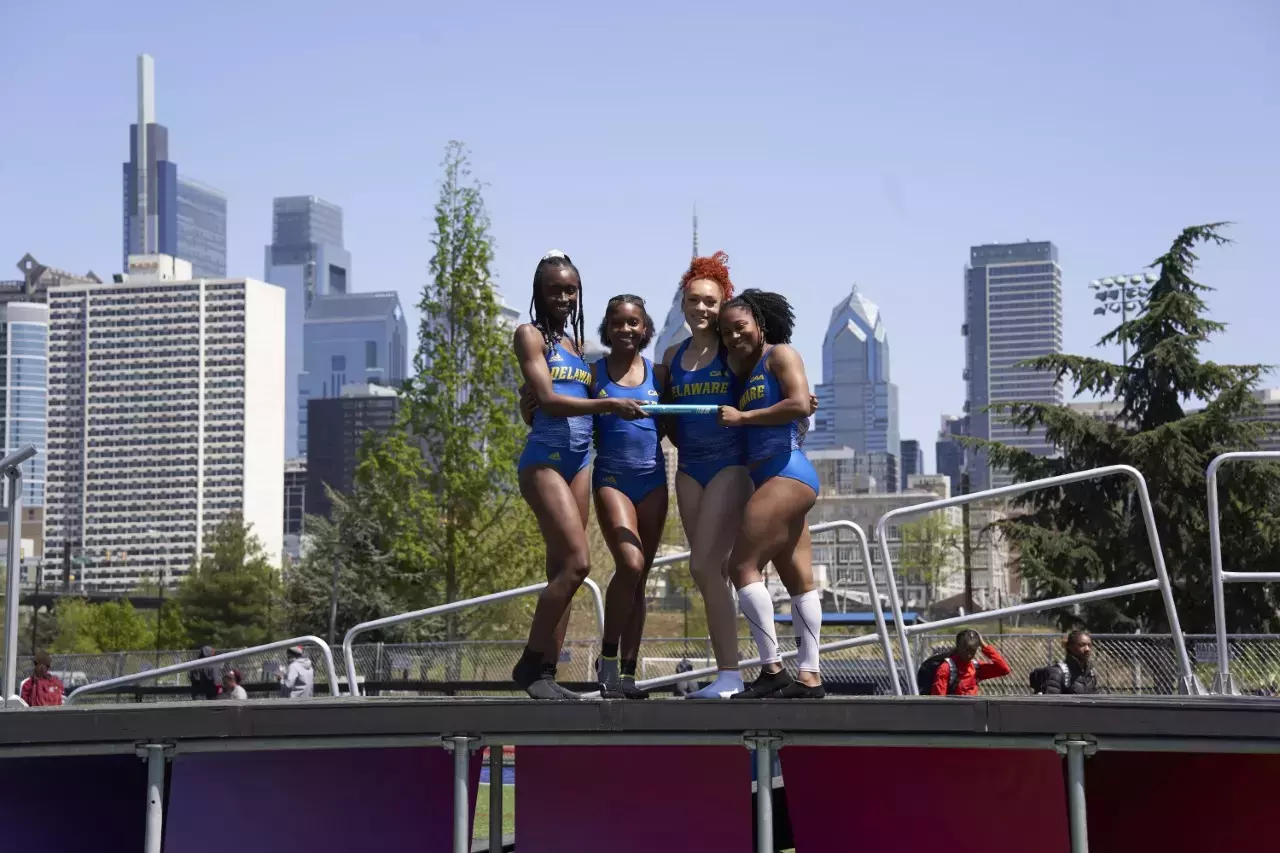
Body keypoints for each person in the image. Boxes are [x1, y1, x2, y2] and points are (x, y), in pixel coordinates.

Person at [510, 251, 647, 700]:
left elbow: (575, 392)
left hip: (580, 461)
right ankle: (530, 665)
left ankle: (547, 675)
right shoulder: (529, 335)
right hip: (545, 459)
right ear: (539, 292)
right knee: (578, 564)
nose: (565, 297)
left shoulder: (576, 345)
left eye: (571, 290)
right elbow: (548, 399)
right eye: (556, 290)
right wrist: (607, 404)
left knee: (560, 572)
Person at [718, 290, 825, 699]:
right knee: (799, 581)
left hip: (786, 470)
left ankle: (771, 668)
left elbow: (800, 404)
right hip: (777, 477)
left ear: (760, 324)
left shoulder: (780, 355)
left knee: (740, 565)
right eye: (725, 332)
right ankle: (810, 676)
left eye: (739, 327)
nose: (732, 336)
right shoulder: (746, 371)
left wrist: (744, 417)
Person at [588, 295, 668, 699]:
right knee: (630, 563)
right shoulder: (592, 372)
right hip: (612, 479)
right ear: (607, 327)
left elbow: (672, 425)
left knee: (640, 579)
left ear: (645, 327)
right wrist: (524, 400)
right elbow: (557, 406)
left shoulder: (661, 373)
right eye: (618, 323)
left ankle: (629, 675)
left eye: (633, 323)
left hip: (653, 481)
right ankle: (607, 660)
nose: (626, 329)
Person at [928, 629, 1011, 696]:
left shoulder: (976, 668)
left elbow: (1004, 669)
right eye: (966, 650)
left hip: (973, 714)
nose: (969, 655)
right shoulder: (946, 669)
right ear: (958, 646)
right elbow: (938, 702)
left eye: (972, 651)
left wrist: (984, 645)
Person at [1035, 629, 1098, 695]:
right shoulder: (1058, 672)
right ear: (1070, 646)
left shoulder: (1091, 673)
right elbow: (1051, 702)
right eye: (1082, 645)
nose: (1087, 649)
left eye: (1089, 645)